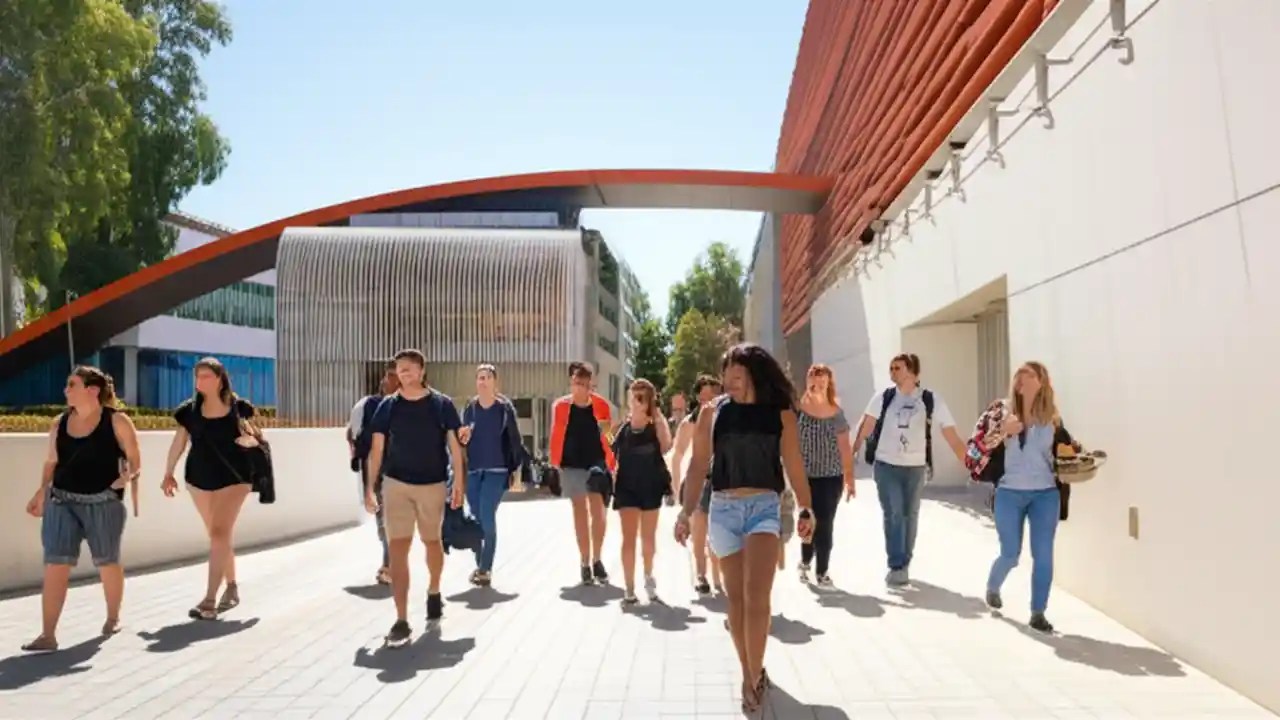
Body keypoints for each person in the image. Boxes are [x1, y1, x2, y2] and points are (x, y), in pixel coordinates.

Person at [674, 343, 814, 713]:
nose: (729, 384)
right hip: (723, 510)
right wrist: (685, 512)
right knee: (735, 601)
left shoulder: (779, 414)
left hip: (764, 509)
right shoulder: (712, 414)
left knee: (758, 597)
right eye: (725, 379)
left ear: (753, 376)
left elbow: (794, 464)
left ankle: (752, 680)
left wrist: (807, 506)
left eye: (736, 377)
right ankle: (750, 671)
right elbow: (697, 466)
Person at [22, 367, 141, 652]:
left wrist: (128, 476)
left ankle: (113, 618)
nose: (66, 390)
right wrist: (42, 490)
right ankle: (47, 635)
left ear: (92, 390)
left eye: (71, 384)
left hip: (103, 501)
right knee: (55, 563)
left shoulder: (117, 421)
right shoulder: (59, 423)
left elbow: (135, 460)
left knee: (107, 561)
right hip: (62, 500)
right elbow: (51, 462)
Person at [362, 349, 466, 648]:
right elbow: (377, 449)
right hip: (396, 484)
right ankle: (401, 618)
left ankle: (434, 590)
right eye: (399, 369)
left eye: (409, 369)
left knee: (431, 542)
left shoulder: (441, 405)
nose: (404, 374)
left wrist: (458, 482)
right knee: (397, 547)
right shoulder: (388, 407)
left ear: (422, 371)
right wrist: (370, 487)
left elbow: (454, 447)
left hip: (432, 484)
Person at [852, 353, 967, 587]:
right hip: (886, 466)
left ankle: (905, 561)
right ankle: (896, 565)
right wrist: (850, 453)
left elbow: (951, 436)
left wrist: (971, 463)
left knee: (910, 515)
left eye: (898, 368)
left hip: (915, 468)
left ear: (913, 373)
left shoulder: (931, 400)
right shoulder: (883, 397)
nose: (892, 372)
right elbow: (865, 427)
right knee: (893, 513)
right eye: (891, 367)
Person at [982, 361, 1077, 633]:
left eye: (1030, 375)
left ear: (1042, 382)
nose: (1022, 379)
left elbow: (1068, 450)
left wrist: (1075, 455)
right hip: (1009, 493)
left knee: (1043, 554)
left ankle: (1038, 612)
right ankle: (993, 585)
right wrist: (1003, 432)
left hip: (1044, 495)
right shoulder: (1002, 412)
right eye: (1019, 375)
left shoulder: (1053, 420)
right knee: (1011, 554)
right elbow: (983, 446)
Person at [163, 357, 260, 620]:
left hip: (235, 477)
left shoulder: (238, 408)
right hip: (199, 479)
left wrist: (250, 440)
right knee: (219, 536)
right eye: (197, 377)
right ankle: (231, 586)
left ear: (219, 379)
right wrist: (168, 472)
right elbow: (179, 443)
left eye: (206, 376)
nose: (200, 381)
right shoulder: (188, 411)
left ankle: (209, 601)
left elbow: (257, 437)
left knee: (219, 533)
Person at [548, 361, 615, 585]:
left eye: (584, 384)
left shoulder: (601, 407)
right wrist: (553, 465)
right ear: (571, 383)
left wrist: (614, 462)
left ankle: (597, 559)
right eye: (576, 383)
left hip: (596, 462)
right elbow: (555, 435)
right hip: (571, 463)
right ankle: (584, 562)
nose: (579, 388)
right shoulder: (560, 407)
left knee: (598, 510)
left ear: (590, 386)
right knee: (579, 509)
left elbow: (608, 437)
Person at [457, 364, 523, 587]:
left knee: (486, 514)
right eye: (479, 378)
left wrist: (516, 471)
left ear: (495, 382)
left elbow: (515, 440)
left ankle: (485, 569)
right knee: (476, 519)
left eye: (486, 377)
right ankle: (481, 565)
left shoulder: (504, 409)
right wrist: (462, 437)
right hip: (474, 471)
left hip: (497, 470)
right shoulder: (470, 408)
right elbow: (462, 437)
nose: (482, 381)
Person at [611, 379, 673, 605]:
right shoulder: (623, 428)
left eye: (641, 396)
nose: (636, 400)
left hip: (650, 485)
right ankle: (628, 588)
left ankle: (648, 576)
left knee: (647, 539)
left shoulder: (655, 424)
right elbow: (611, 451)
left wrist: (656, 416)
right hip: (627, 486)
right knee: (628, 538)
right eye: (633, 395)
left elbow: (667, 445)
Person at [795, 364, 855, 586]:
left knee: (826, 522)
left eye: (822, 380)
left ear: (829, 383)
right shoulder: (797, 411)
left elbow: (845, 447)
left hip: (831, 477)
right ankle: (805, 561)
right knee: (808, 521)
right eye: (813, 378)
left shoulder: (836, 413)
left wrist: (849, 478)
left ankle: (822, 571)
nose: (817, 383)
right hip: (805, 477)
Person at [670, 374, 724, 594]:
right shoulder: (688, 424)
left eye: (711, 398)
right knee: (699, 530)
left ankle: (718, 577)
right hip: (697, 482)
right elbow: (677, 455)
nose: (707, 403)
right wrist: (677, 490)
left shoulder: (726, 420)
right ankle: (701, 576)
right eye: (703, 399)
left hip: (721, 480)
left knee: (718, 533)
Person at [347, 363, 400, 585]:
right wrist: (356, 458)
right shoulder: (368, 405)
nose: (391, 381)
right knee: (382, 519)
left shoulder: (408, 405)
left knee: (389, 519)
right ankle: (390, 561)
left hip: (400, 470)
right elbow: (353, 434)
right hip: (376, 469)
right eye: (390, 377)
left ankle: (390, 564)